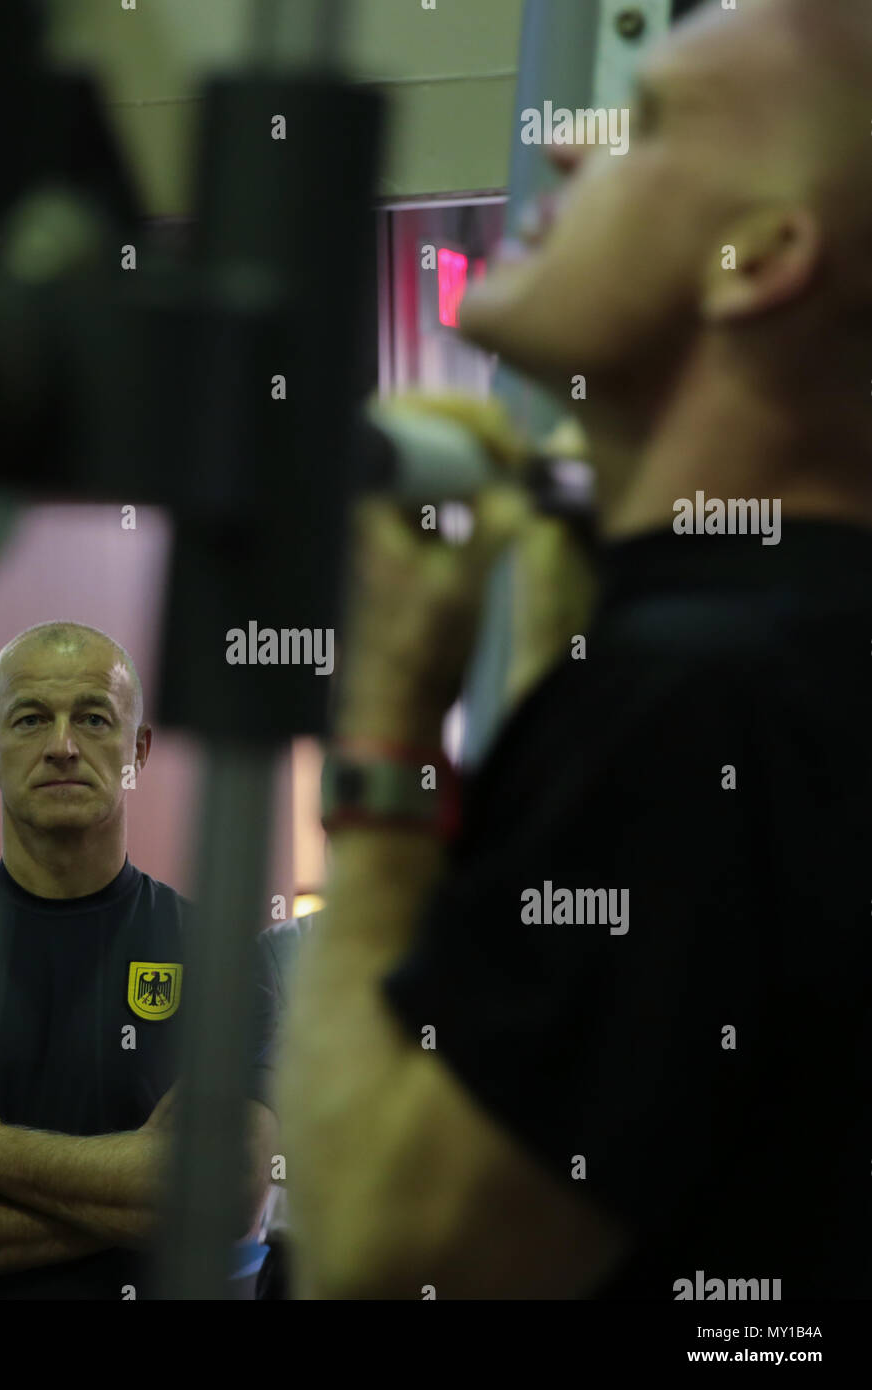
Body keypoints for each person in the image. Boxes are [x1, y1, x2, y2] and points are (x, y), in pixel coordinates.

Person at [278, 0, 872, 1298]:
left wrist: (383, 729)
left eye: (645, 124)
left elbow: (387, 1257)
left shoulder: (693, 700)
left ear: (758, 256)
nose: (567, 148)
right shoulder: (758, 660)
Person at [0, 621, 279, 1298]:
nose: (63, 746)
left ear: (139, 748)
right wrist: (149, 1197)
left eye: (94, 719)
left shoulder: (219, 953)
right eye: (31, 719)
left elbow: (234, 1190)